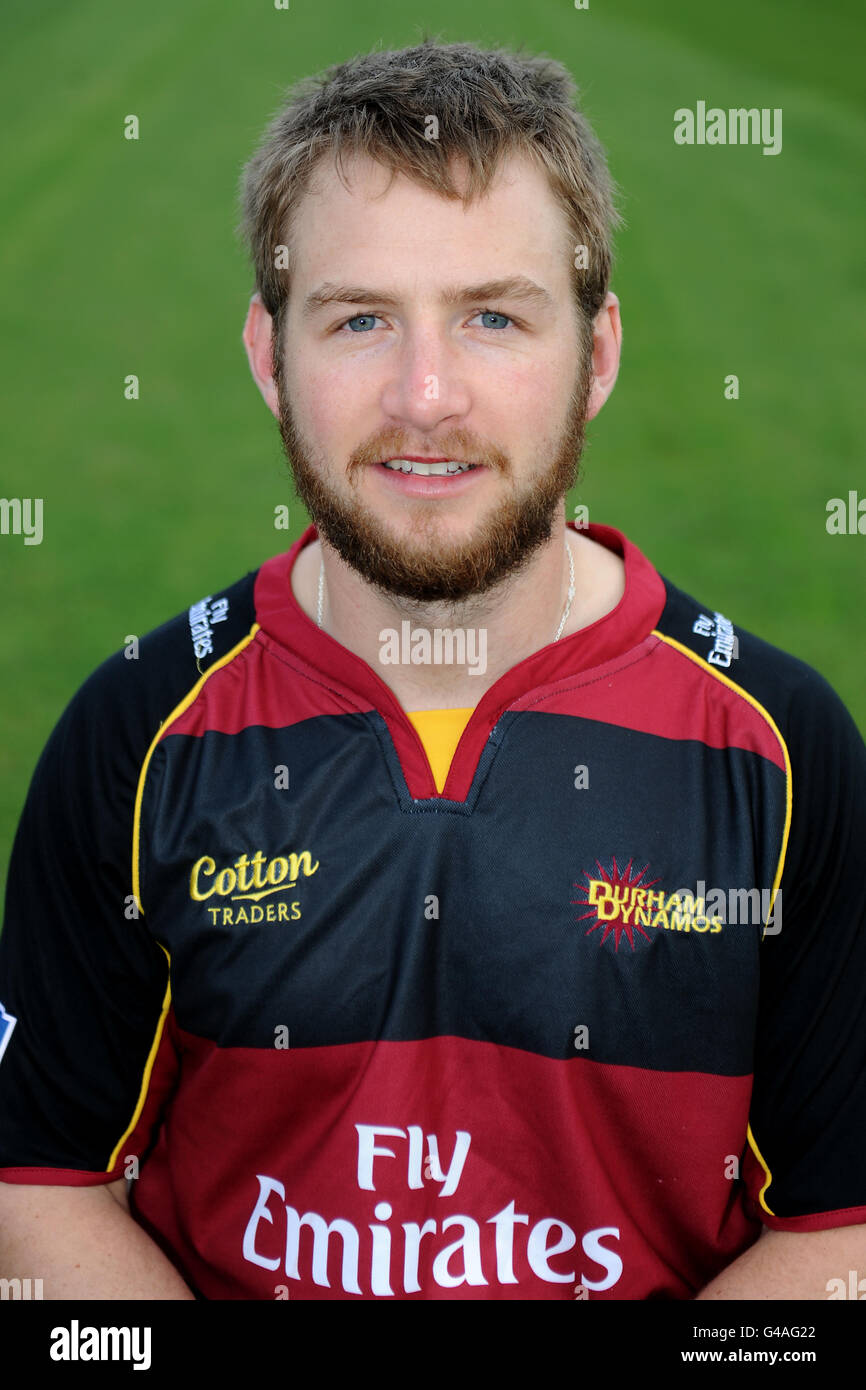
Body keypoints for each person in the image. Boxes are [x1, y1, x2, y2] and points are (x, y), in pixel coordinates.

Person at [1, 39, 864, 1302]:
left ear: (598, 352)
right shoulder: (138, 730)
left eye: (493, 317)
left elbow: (840, 1232)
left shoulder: (775, 746)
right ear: (267, 355)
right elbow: (39, 1188)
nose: (425, 395)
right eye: (358, 320)